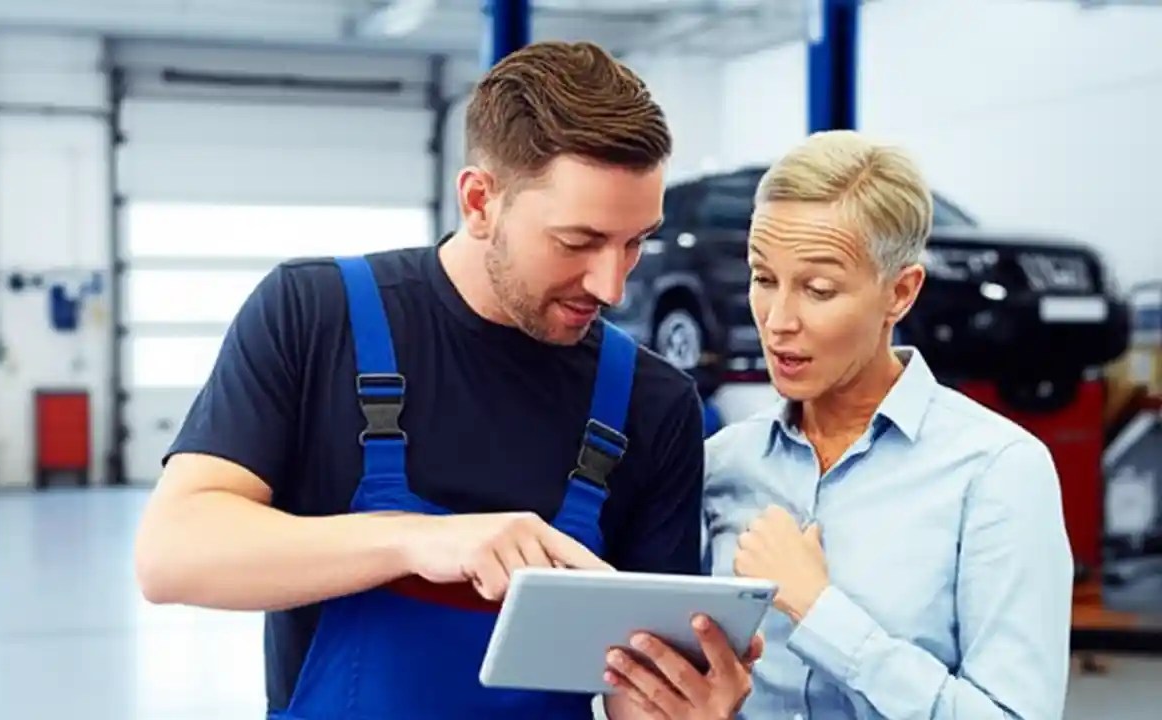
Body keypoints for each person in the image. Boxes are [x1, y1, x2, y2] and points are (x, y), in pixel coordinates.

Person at [133, 41, 758, 720]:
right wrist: (422, 539)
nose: (611, 285)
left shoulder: (654, 403)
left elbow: (637, 685)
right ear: (480, 201)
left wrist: (687, 706)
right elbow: (173, 555)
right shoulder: (314, 315)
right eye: (577, 242)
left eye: (635, 241)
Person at [695, 129, 1074, 718]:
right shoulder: (722, 464)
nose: (778, 321)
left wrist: (821, 612)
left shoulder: (996, 472)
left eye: (819, 289)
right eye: (763, 279)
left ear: (900, 292)